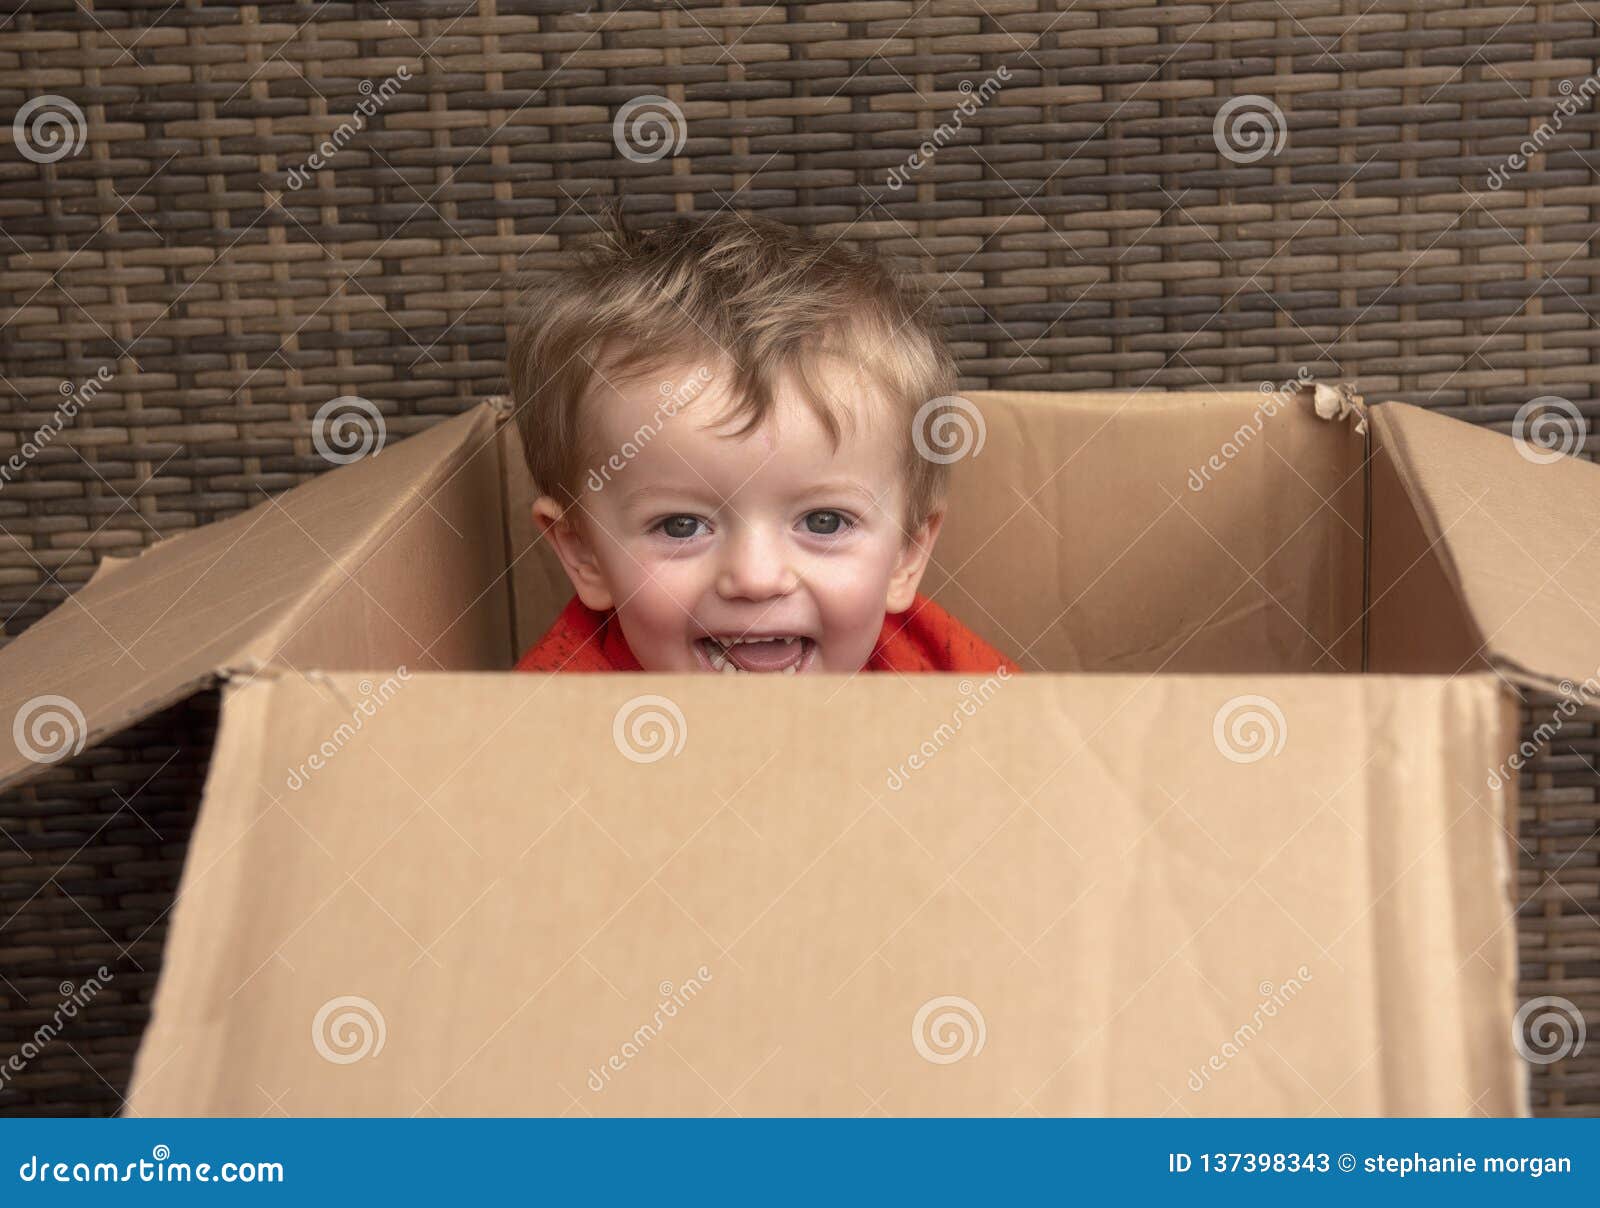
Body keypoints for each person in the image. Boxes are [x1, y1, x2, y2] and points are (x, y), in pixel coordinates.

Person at [505, 207, 1020, 676]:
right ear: (584, 553)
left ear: (906, 554)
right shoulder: (552, 718)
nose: (755, 579)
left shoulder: (950, 686)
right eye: (681, 526)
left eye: (824, 521)